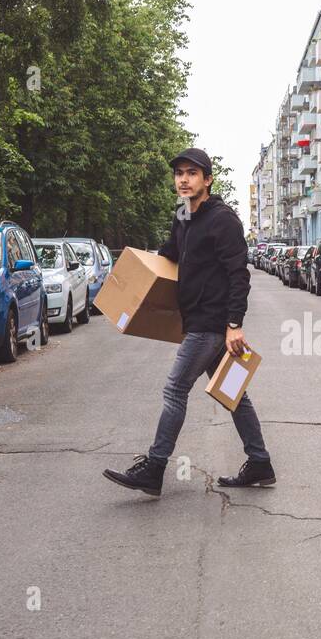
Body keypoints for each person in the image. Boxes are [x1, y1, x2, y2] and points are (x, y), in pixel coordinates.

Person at [103, 148, 275, 496]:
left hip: (211, 323)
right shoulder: (183, 214)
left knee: (175, 389)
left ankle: (154, 468)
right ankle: (259, 462)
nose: (184, 179)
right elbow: (170, 254)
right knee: (234, 394)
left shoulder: (223, 220)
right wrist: (137, 270)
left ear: (207, 179)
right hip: (195, 319)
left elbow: (238, 274)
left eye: (192, 173)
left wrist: (234, 324)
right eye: (179, 173)